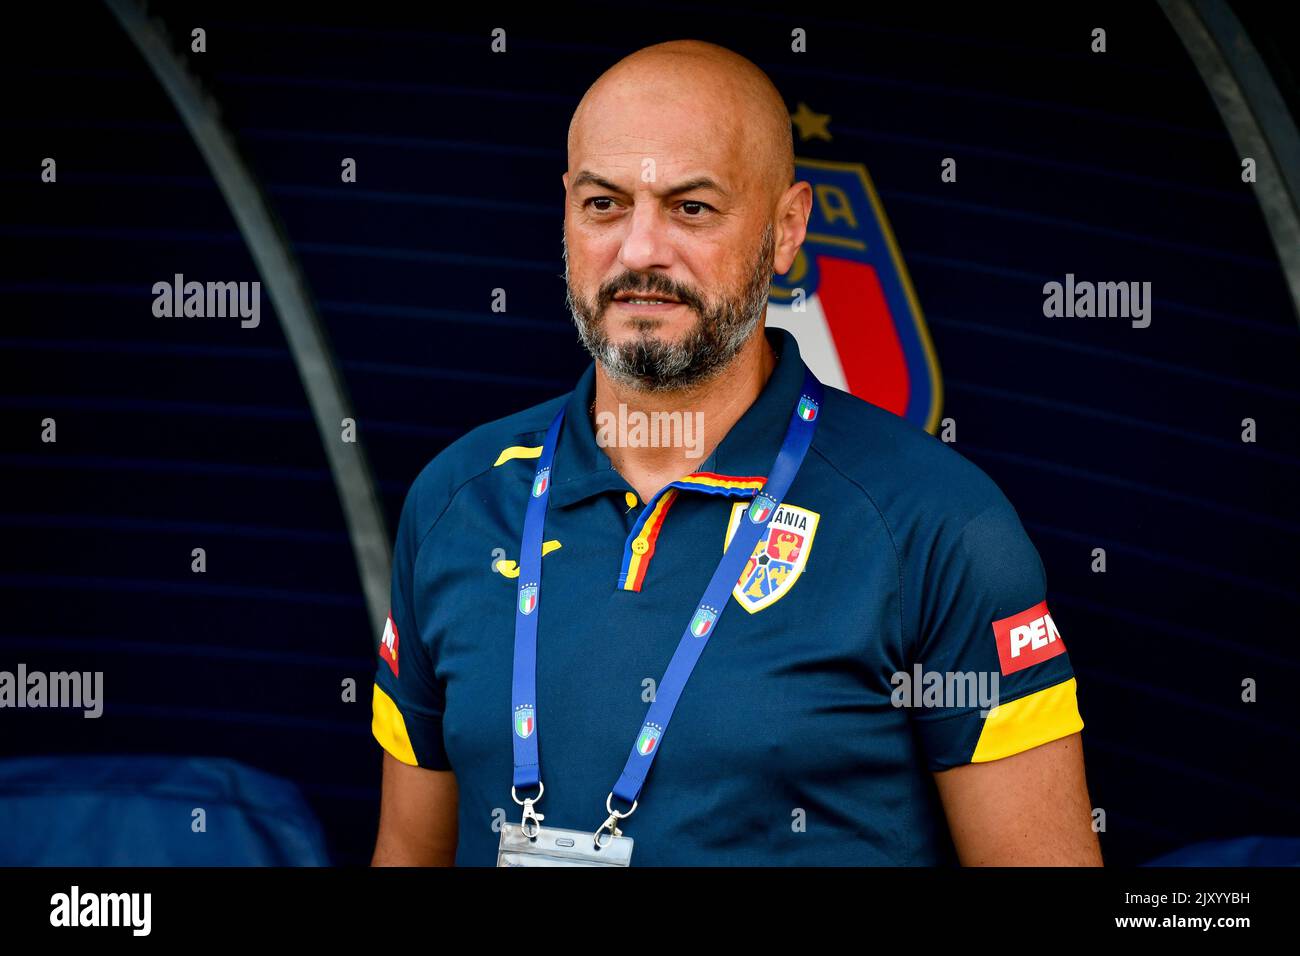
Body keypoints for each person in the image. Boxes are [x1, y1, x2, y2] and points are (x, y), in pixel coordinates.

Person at [370, 39, 1102, 866]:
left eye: (691, 208)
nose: (640, 250)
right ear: (566, 212)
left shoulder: (939, 526)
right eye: (605, 204)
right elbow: (407, 849)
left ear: (787, 228)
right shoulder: (456, 501)